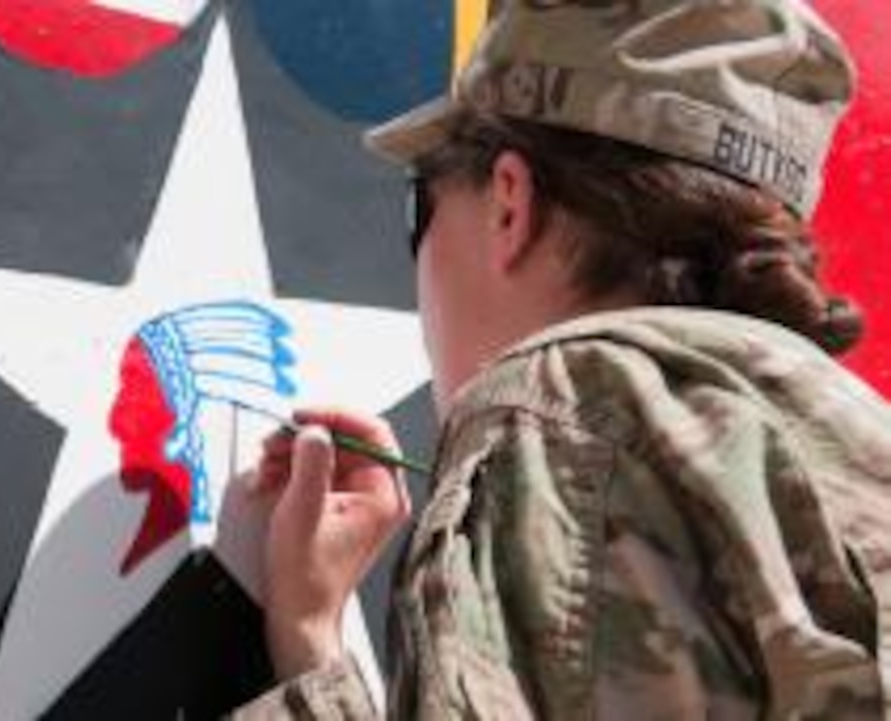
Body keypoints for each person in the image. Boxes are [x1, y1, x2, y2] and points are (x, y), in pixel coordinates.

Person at [231, 0, 891, 718]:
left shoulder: (563, 402)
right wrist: (312, 643)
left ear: (510, 203)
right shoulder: (853, 443)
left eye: (419, 206)